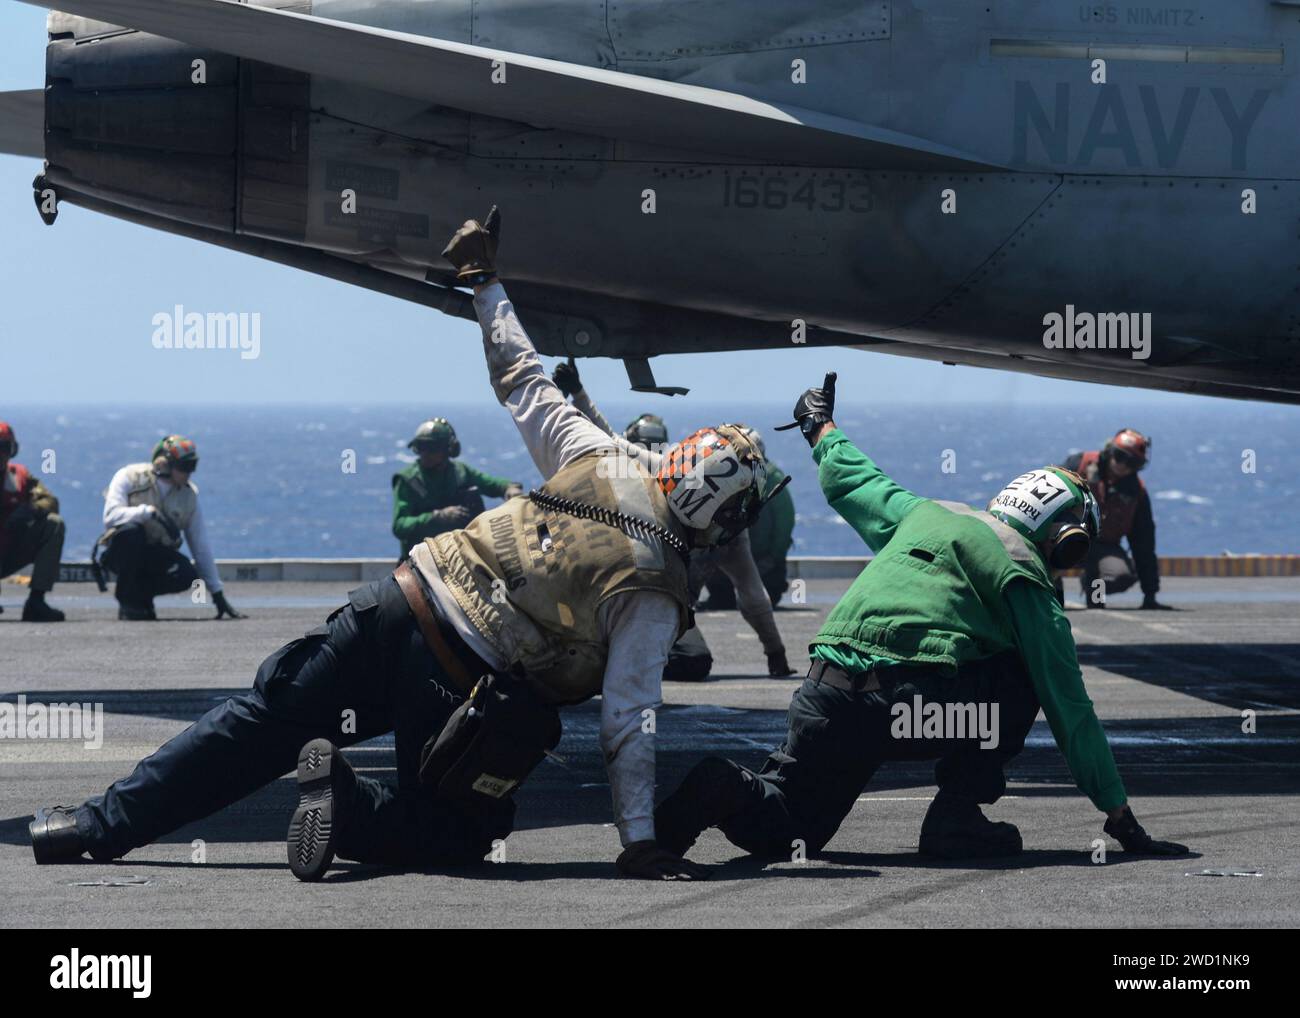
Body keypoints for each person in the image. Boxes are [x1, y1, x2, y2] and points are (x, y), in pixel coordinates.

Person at [30, 206, 769, 882]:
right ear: (724, 519)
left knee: (256, 721)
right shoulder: (653, 592)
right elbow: (627, 721)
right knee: (457, 836)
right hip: (460, 685)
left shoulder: (594, 452)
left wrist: (482, 280)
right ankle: (348, 803)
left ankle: (89, 825)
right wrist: (637, 839)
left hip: (398, 602)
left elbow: (520, 374)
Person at [655, 373, 1190, 863]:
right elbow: (1072, 712)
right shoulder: (1026, 579)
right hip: (905, 710)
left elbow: (853, 479)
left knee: (790, 831)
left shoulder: (927, 513)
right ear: (1065, 540)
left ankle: (714, 790)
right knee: (1028, 676)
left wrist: (819, 425)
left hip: (824, 694)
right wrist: (1122, 820)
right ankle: (956, 818)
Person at [552, 359, 794, 680]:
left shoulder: (729, 532)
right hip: (624, 594)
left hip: (668, 609)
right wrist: (577, 394)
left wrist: (776, 654)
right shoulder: (669, 471)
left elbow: (753, 595)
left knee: (692, 661)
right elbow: (609, 439)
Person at [96, 435, 244, 621]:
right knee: (131, 534)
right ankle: (127, 600)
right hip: (121, 555)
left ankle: (140, 598)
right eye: (185, 467)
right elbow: (110, 517)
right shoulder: (128, 477)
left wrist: (218, 595)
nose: (189, 473)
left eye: (192, 466)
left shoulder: (188, 496)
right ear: (164, 464)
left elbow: (200, 545)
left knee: (186, 574)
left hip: (156, 557)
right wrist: (146, 513)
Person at [391, 418, 523, 560]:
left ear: (448, 449)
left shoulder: (460, 472)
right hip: (420, 562)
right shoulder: (408, 480)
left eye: (432, 448)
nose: (425, 453)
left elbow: (491, 484)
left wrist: (509, 488)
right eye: (421, 447)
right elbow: (400, 526)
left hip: (457, 559)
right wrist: (437, 517)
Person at [1062, 429, 1165, 609]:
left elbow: (1144, 543)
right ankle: (1053, 601)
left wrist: (1150, 594)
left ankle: (1092, 591)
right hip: (1067, 538)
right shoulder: (1079, 465)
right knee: (1046, 561)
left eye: (1131, 462)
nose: (1123, 465)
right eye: (1119, 456)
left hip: (1104, 547)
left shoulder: (1136, 493)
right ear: (1110, 451)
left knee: (1120, 577)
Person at [699, 425, 795, 609]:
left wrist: (772, 558)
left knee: (764, 595)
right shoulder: (770, 476)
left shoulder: (772, 478)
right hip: (735, 555)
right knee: (723, 598)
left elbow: (784, 524)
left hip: (762, 559)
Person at [0, 420, 66, 622]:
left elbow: (50, 501)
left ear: (13, 450)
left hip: (8, 550)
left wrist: (30, 510)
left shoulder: (19, 477)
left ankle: (36, 601)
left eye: (3, 447)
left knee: (53, 524)